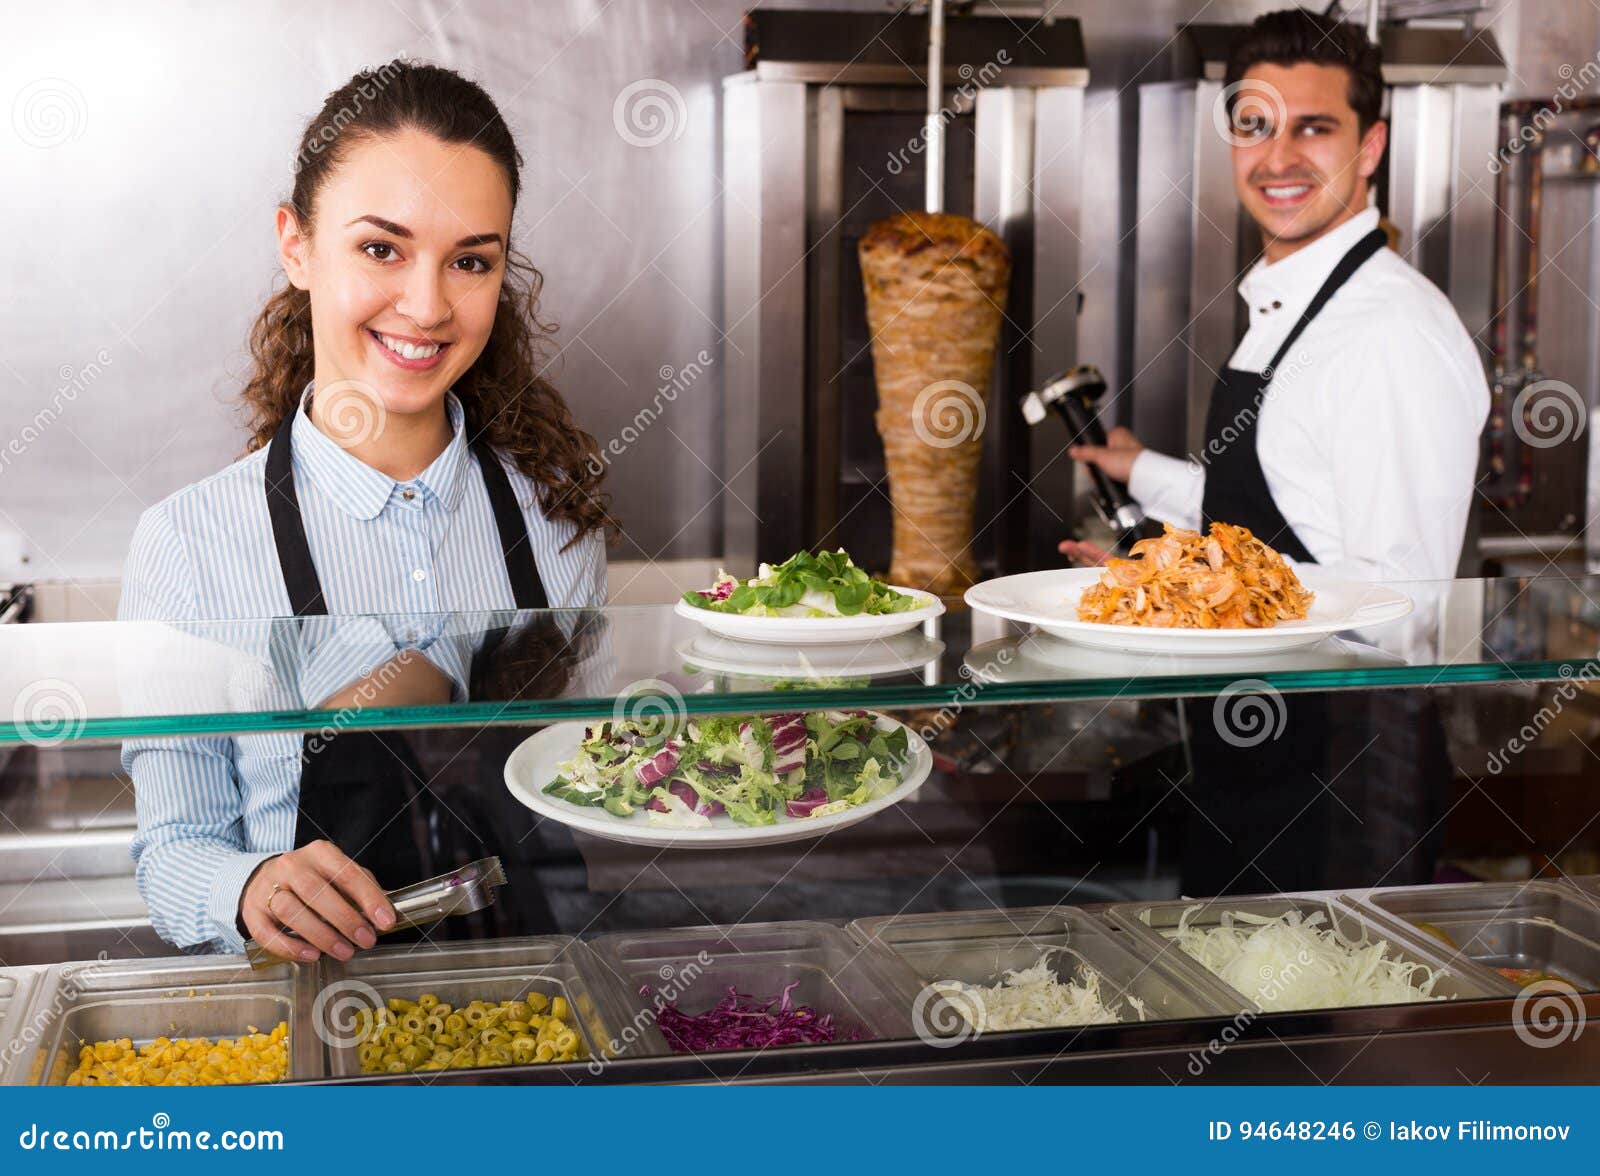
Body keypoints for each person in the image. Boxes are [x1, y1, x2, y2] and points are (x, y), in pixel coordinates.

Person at [119, 61, 610, 961]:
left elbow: (581, 786)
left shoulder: (553, 523)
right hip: (318, 1020)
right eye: (381, 248)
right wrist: (248, 885)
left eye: (470, 260)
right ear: (297, 245)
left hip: (538, 1000)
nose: (426, 306)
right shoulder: (190, 543)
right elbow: (173, 853)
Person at [1061, 8, 1488, 582]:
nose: (1279, 159)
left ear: (1370, 147)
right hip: (1250, 671)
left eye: (1314, 128)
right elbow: (1283, 516)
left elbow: (1404, 601)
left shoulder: (1393, 331)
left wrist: (1181, 581)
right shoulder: (1287, 303)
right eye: (1255, 126)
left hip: (1349, 675)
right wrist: (1142, 476)